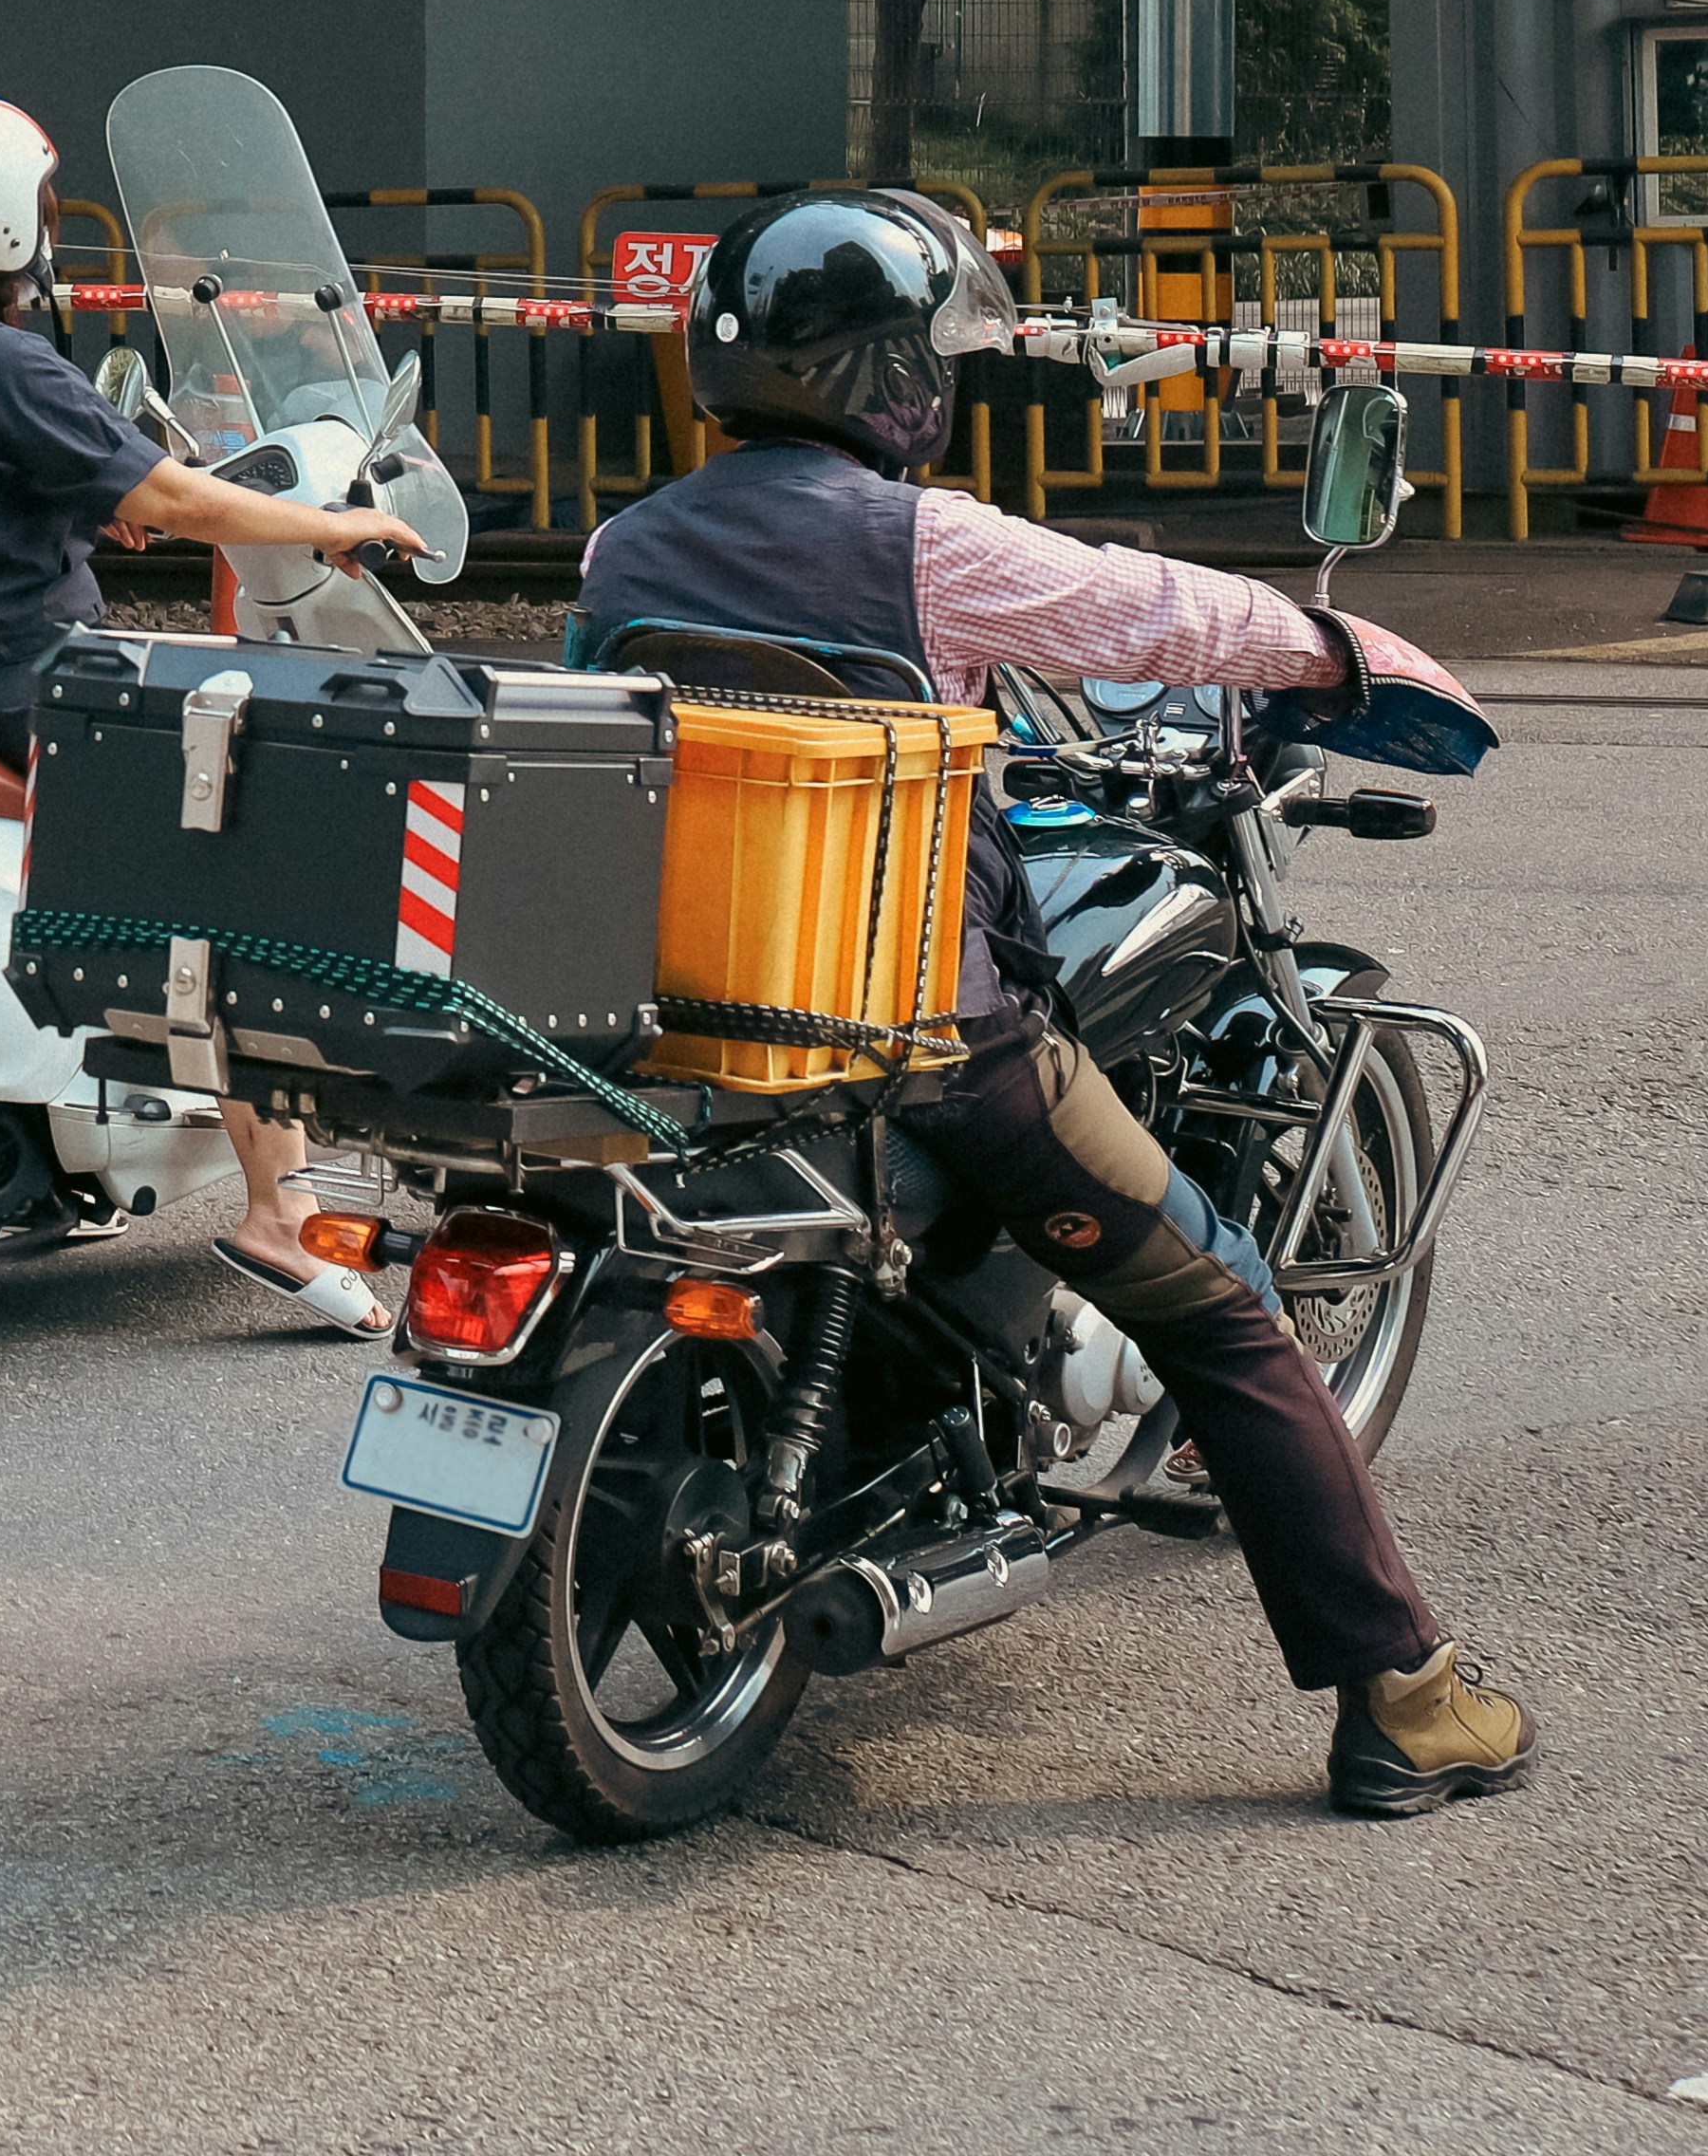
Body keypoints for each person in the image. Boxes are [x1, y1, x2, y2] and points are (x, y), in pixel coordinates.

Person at [573, 186, 1532, 1824]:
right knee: (1225, 1306)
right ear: (895, 377)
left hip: (681, 1008)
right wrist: (1341, 650)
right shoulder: (927, 547)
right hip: (916, 1038)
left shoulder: (628, 542)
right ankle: (1407, 1698)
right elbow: (1157, 615)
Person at [0, 90, 431, 1328]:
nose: (52, 235)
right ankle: (277, 1215)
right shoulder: (0, 360)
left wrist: (92, 503)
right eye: (43, 211)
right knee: (250, 877)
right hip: (22, 693)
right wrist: (337, 521)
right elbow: (194, 505)